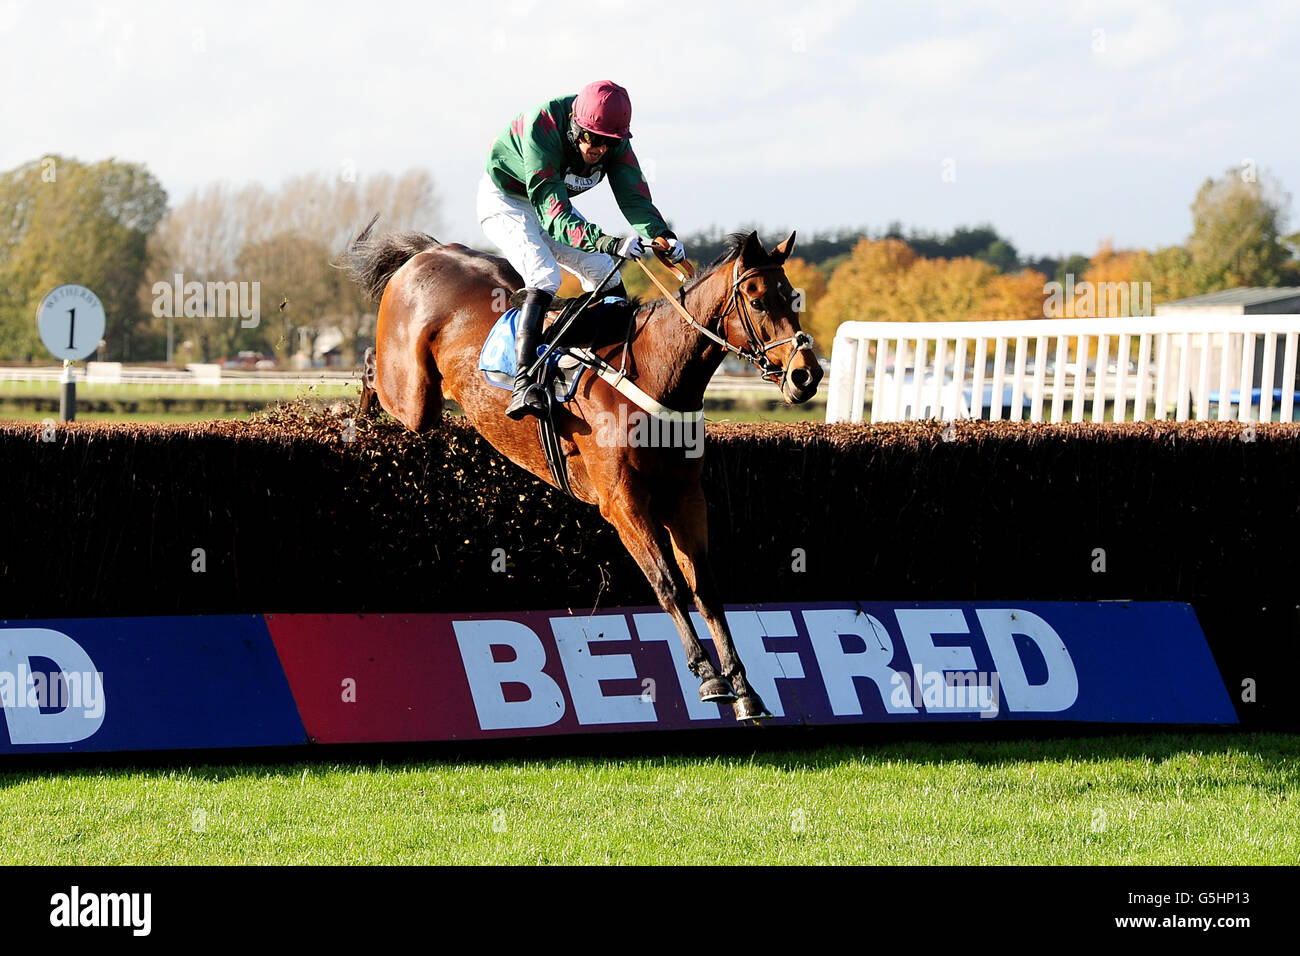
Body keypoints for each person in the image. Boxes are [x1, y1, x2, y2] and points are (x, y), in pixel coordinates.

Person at [478, 80, 687, 420]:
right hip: (508, 202)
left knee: (606, 271)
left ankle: (606, 362)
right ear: (575, 124)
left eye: (607, 143)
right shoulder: (540, 129)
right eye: (590, 138)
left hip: (549, 204)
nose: (597, 148)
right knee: (545, 275)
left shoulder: (613, 143)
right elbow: (554, 216)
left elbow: (634, 197)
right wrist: (607, 240)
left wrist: (662, 235)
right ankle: (523, 383)